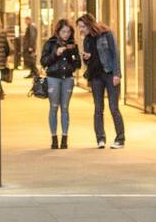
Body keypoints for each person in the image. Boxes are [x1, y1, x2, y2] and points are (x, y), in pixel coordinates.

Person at [78, 13, 125, 149]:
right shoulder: (86, 39)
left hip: (110, 74)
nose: (81, 29)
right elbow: (88, 61)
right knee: (98, 108)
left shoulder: (107, 34)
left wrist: (117, 74)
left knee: (113, 107)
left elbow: (115, 54)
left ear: (89, 24)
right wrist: (86, 57)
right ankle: (100, 138)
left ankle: (120, 139)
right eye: (80, 27)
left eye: (83, 26)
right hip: (96, 76)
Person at [41, 19, 80, 149]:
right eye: (63, 31)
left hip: (68, 79)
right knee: (53, 107)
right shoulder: (50, 43)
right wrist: (56, 54)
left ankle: (64, 137)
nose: (66, 34)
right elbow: (44, 61)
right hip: (53, 78)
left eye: (69, 31)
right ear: (58, 31)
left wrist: (70, 55)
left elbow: (77, 64)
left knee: (65, 108)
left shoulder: (73, 45)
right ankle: (54, 138)